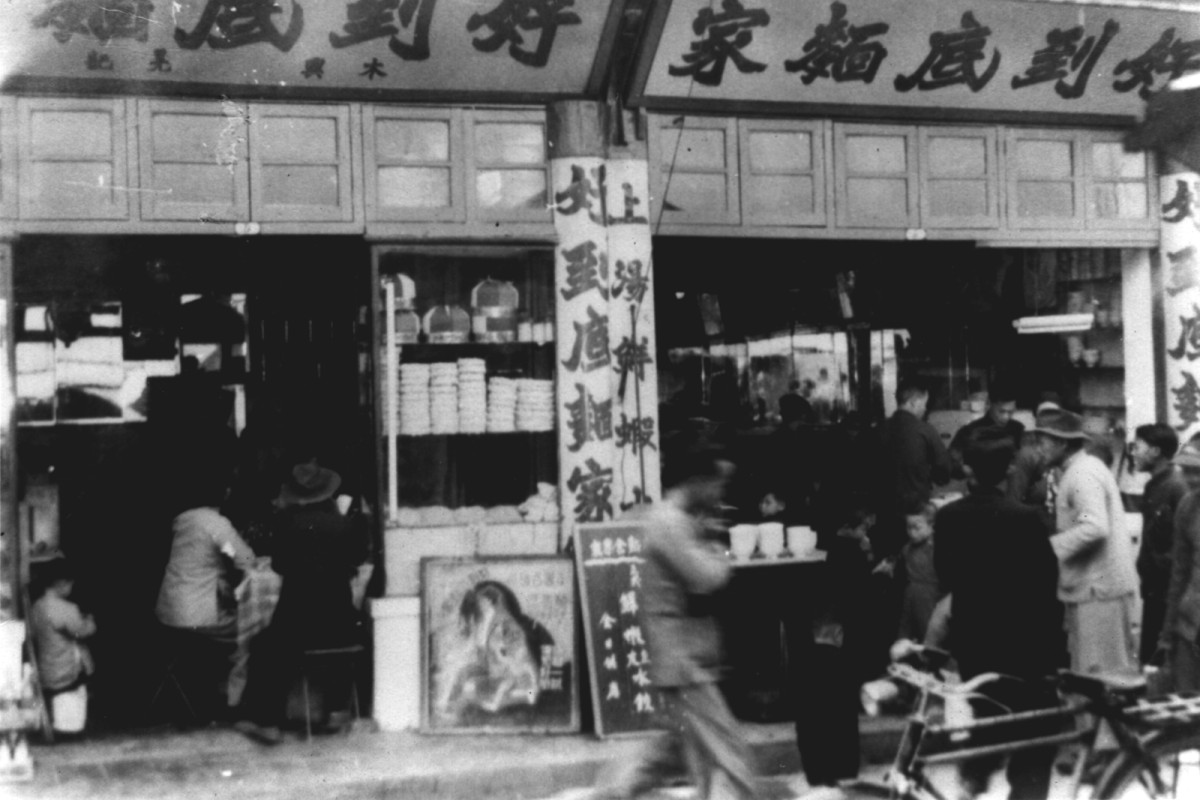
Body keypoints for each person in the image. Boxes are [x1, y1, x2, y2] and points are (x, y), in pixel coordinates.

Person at [592, 445, 765, 800]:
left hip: (683, 654)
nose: (719, 491)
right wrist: (722, 553)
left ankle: (610, 794)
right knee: (729, 749)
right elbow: (706, 577)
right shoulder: (668, 522)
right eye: (717, 481)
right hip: (681, 658)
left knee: (673, 749)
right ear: (697, 481)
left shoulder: (677, 520)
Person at [933, 427, 1065, 800]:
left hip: (975, 644)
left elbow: (947, 578)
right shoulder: (1028, 518)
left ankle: (972, 780)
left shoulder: (948, 518)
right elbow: (1047, 588)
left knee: (989, 720)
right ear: (1009, 469)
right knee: (1035, 739)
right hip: (1027, 649)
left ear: (968, 470)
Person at [235, 460, 370, 744]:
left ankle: (268, 722)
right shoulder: (345, 524)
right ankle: (337, 710)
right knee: (339, 646)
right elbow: (358, 559)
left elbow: (280, 565)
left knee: (265, 645)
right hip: (339, 621)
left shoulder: (287, 524)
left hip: (297, 622)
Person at [1034, 408, 1140, 675]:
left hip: (1098, 592)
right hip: (1095, 589)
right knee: (1096, 676)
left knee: (1101, 678)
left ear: (1061, 442)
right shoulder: (1082, 469)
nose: (1038, 450)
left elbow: (1095, 526)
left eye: (1042, 442)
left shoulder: (1082, 474)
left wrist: (1050, 548)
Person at [155, 471, 256, 720]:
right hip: (199, 615)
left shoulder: (182, 520)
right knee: (249, 634)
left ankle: (216, 692)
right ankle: (233, 703)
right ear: (224, 493)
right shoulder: (216, 524)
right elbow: (244, 558)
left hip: (169, 611)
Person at [1131, 423, 1186, 665]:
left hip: (1170, 594)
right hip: (1155, 590)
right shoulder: (1154, 485)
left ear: (1155, 451)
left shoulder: (1176, 486)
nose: (1133, 452)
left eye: (1137, 447)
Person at [877, 382, 951, 558]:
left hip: (882, 513)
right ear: (912, 402)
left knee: (886, 564)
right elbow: (944, 471)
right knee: (914, 564)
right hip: (916, 513)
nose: (925, 409)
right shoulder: (925, 430)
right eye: (924, 404)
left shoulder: (877, 430)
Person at [30, 557, 97, 737]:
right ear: (62, 584)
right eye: (70, 584)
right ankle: (71, 728)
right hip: (65, 671)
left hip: (46, 667)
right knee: (85, 656)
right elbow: (82, 632)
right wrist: (90, 619)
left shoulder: (36, 606)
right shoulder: (66, 608)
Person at [1154, 438, 1200, 692]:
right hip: (1189, 623)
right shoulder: (1187, 506)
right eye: (1187, 470)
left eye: (1197, 470)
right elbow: (1179, 573)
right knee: (1187, 705)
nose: (1191, 479)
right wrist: (1167, 632)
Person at [880, 502, 942, 644]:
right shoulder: (906, 548)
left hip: (931, 596)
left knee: (928, 633)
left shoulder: (938, 548)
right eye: (908, 527)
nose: (911, 532)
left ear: (932, 526)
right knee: (904, 632)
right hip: (909, 596)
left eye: (917, 527)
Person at [949, 389, 1024, 474]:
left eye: (1010, 412)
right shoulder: (969, 431)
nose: (1006, 417)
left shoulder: (1018, 429)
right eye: (1001, 411)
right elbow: (951, 461)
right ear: (989, 404)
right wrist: (963, 469)